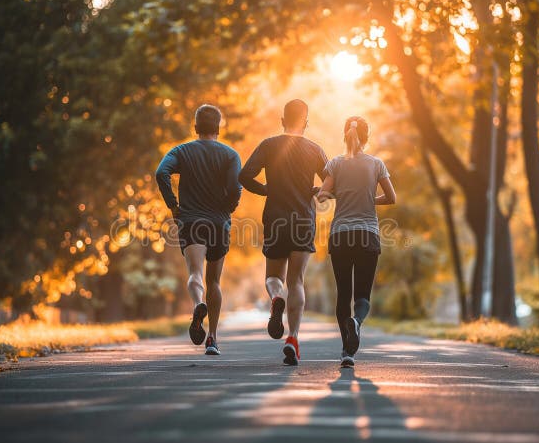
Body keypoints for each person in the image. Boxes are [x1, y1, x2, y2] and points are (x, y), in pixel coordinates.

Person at [239, 99, 328, 366]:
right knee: (296, 281)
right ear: (306, 122)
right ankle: (293, 338)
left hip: (276, 219)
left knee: (273, 278)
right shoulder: (315, 149)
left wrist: (266, 190)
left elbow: (244, 176)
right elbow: (331, 183)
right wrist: (317, 191)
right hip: (303, 220)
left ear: (282, 121)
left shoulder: (268, 145)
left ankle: (276, 297)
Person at [155, 104, 242, 356]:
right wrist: (228, 208)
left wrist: (173, 205)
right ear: (218, 128)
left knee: (195, 273)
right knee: (214, 280)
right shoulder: (230, 155)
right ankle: (212, 338)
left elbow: (161, 173)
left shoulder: (181, 151)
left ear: (195, 127)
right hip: (219, 223)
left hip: (191, 221)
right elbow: (236, 187)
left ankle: (198, 303)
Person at [317, 116, 396, 368]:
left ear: (345, 135)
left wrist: (339, 193)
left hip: (341, 235)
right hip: (367, 235)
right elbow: (391, 197)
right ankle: (357, 322)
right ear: (366, 137)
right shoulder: (376, 164)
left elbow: (322, 195)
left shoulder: (335, 163)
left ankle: (346, 351)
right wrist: (369, 198)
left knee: (343, 295)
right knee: (362, 295)